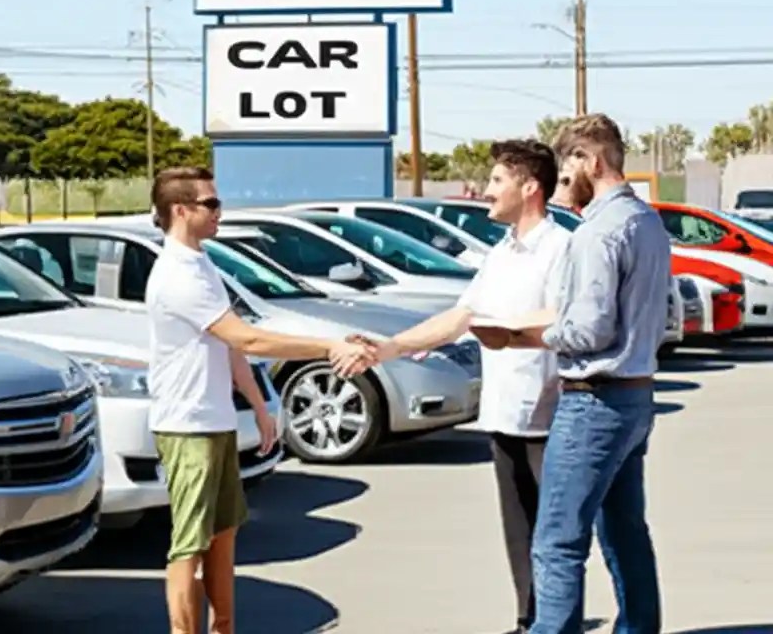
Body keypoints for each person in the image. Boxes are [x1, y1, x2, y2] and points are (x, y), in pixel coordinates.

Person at [348, 139, 571, 634]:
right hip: (503, 412)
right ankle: (528, 619)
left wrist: (509, 327)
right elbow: (460, 318)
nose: (487, 191)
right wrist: (388, 348)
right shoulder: (502, 252)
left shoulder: (560, 248)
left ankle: (557, 623)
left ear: (529, 187)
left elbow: (564, 317)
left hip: (550, 414)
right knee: (518, 529)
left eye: (496, 181)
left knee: (554, 537)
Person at [145, 166, 369, 634]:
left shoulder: (201, 262)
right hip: (186, 426)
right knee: (189, 543)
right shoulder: (175, 274)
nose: (218, 212)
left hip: (215, 421)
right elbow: (247, 339)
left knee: (223, 535)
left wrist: (260, 406)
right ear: (180, 210)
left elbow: (228, 347)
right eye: (210, 204)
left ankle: (224, 626)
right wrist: (328, 347)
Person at [502, 114, 671, 634]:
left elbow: (590, 331)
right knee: (624, 532)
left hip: (593, 401)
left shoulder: (597, 232)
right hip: (635, 397)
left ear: (590, 161)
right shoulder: (647, 222)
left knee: (556, 542)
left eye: (567, 165)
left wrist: (523, 336)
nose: (562, 180)